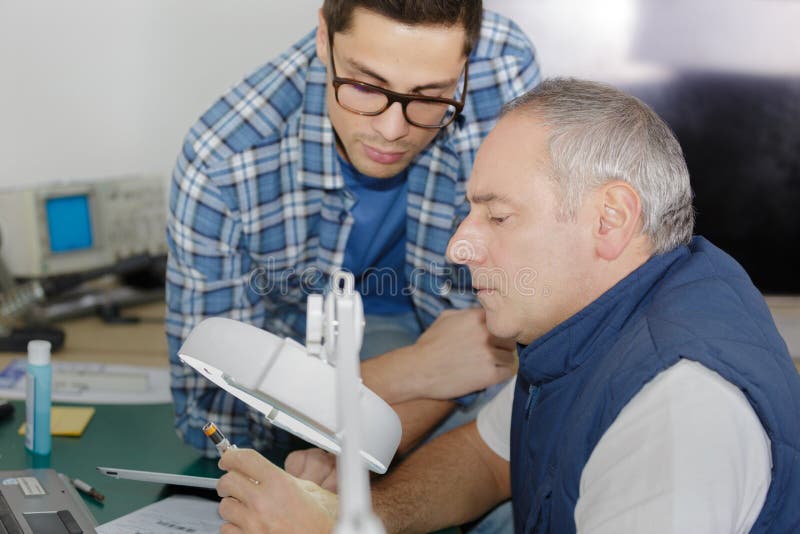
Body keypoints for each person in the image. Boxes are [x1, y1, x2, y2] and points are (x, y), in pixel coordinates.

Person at [215, 78, 800, 533]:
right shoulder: (597, 313)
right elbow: (487, 458)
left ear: (611, 219)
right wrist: (350, 517)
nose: (459, 246)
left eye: (498, 216)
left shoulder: (676, 413)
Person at [166, 0, 539, 460]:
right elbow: (210, 413)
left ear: (465, 63)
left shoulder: (501, 67)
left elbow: (499, 342)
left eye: (430, 94)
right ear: (324, 37)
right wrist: (406, 372)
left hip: (451, 329)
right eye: (365, 85)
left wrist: (451, 373)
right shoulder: (223, 165)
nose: (391, 130)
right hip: (312, 345)